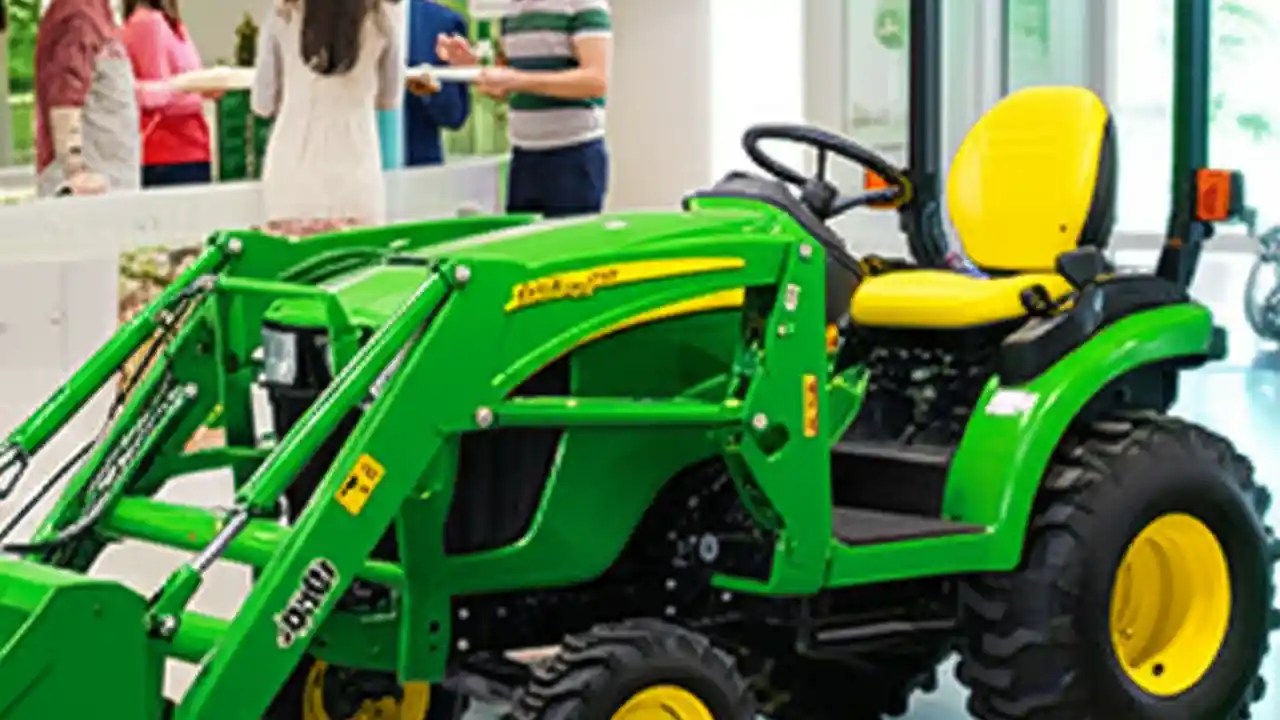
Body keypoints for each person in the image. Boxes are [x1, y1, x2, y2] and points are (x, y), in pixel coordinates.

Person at [251, 0, 430, 237]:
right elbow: (390, 98)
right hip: (357, 171)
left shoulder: (283, 13)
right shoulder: (382, 17)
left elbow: (262, 104)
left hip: (291, 170)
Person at [437, 0, 611, 217]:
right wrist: (471, 68)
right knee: (521, 244)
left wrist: (516, 79)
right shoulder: (512, 12)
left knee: (567, 245)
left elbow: (595, 81)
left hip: (573, 155)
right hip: (523, 157)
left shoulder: (582, 5)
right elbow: (506, 89)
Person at [34, 0, 141, 197]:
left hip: (109, 183)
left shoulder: (98, 12)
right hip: (89, 190)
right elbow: (64, 94)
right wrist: (75, 170)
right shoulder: (78, 12)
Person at [122, 0, 215, 187]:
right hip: (167, 152)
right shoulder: (147, 23)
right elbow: (156, 95)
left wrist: (201, 88)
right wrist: (194, 90)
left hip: (192, 145)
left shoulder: (175, 24)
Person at [404, 0, 471, 166]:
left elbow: (454, 115)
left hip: (417, 171)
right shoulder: (336, 18)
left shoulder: (438, 21)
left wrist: (424, 86)